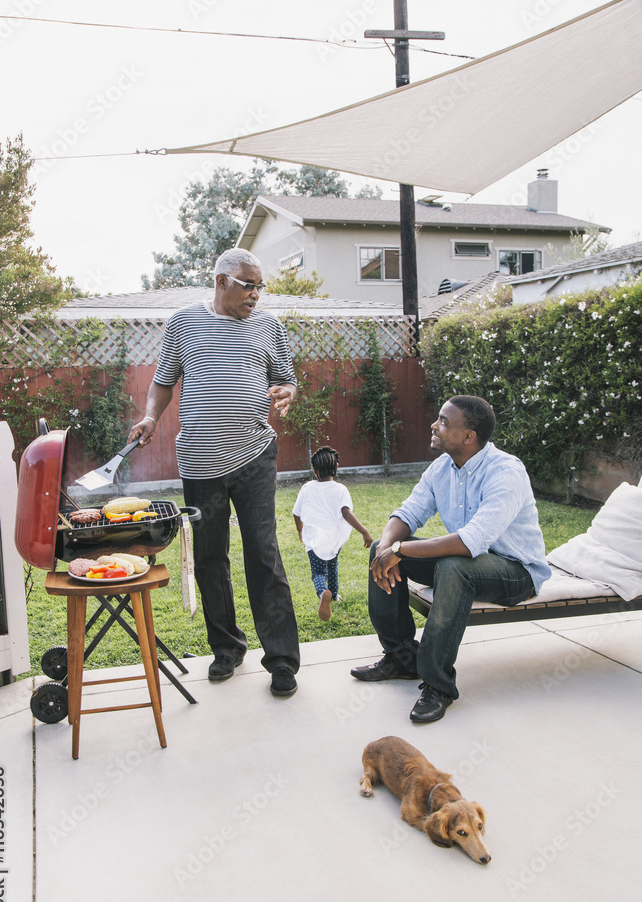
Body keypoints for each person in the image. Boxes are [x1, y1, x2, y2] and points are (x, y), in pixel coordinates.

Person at [128, 248, 300, 697]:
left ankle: (281, 660)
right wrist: (150, 417)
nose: (256, 294)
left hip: (254, 453)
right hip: (201, 462)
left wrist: (285, 393)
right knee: (209, 557)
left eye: (260, 286)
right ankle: (227, 648)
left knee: (263, 552)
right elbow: (164, 381)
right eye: (249, 284)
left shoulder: (269, 327)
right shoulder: (184, 322)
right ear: (222, 281)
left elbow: (285, 377)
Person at [351, 395, 551, 723]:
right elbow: (409, 512)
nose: (434, 425)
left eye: (443, 421)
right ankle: (401, 658)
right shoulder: (443, 467)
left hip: (515, 571)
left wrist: (400, 550)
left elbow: (470, 542)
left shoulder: (505, 472)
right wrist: (387, 544)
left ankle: (438, 684)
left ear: (468, 436)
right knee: (381, 550)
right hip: (469, 561)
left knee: (452, 566)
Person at [293, 446, 373, 621]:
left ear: (314, 470)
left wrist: (300, 530)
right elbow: (346, 513)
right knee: (332, 565)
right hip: (333, 539)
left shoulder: (307, 488)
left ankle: (323, 593)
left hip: (314, 539)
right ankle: (334, 595)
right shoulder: (341, 489)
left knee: (318, 572)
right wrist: (364, 531)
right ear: (336, 467)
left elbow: (296, 513)